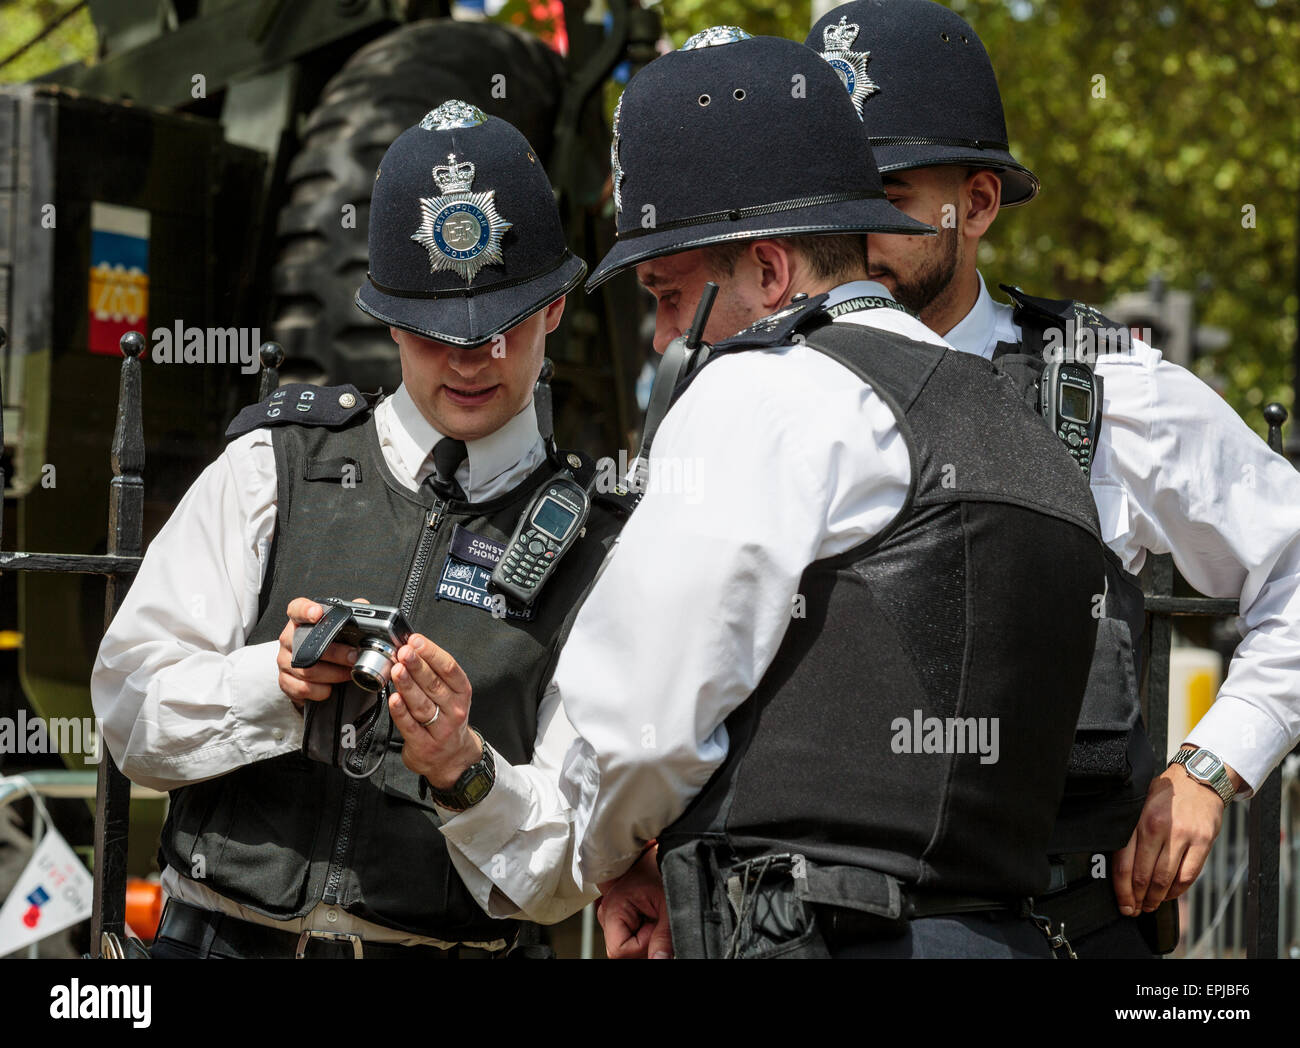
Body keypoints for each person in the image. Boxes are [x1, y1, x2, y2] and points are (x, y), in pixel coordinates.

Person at [421, 28, 1111, 958]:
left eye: (669, 292)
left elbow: (643, 732)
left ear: (770, 272)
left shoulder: (765, 393)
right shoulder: (1026, 428)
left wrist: (573, 850)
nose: (666, 335)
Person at [805, 0, 1300, 957]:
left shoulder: (1110, 388)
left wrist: (1211, 764)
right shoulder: (764, 392)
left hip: (1059, 929)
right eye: (834, 200)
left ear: (978, 205)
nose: (854, 236)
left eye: (891, 198)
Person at [90, 100, 629, 958]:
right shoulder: (274, 467)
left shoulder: (603, 552)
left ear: (556, 309)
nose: (467, 359)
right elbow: (126, 715)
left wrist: (461, 767)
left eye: (503, 327)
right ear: (387, 318)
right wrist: (273, 688)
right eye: (431, 329)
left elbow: (571, 865)